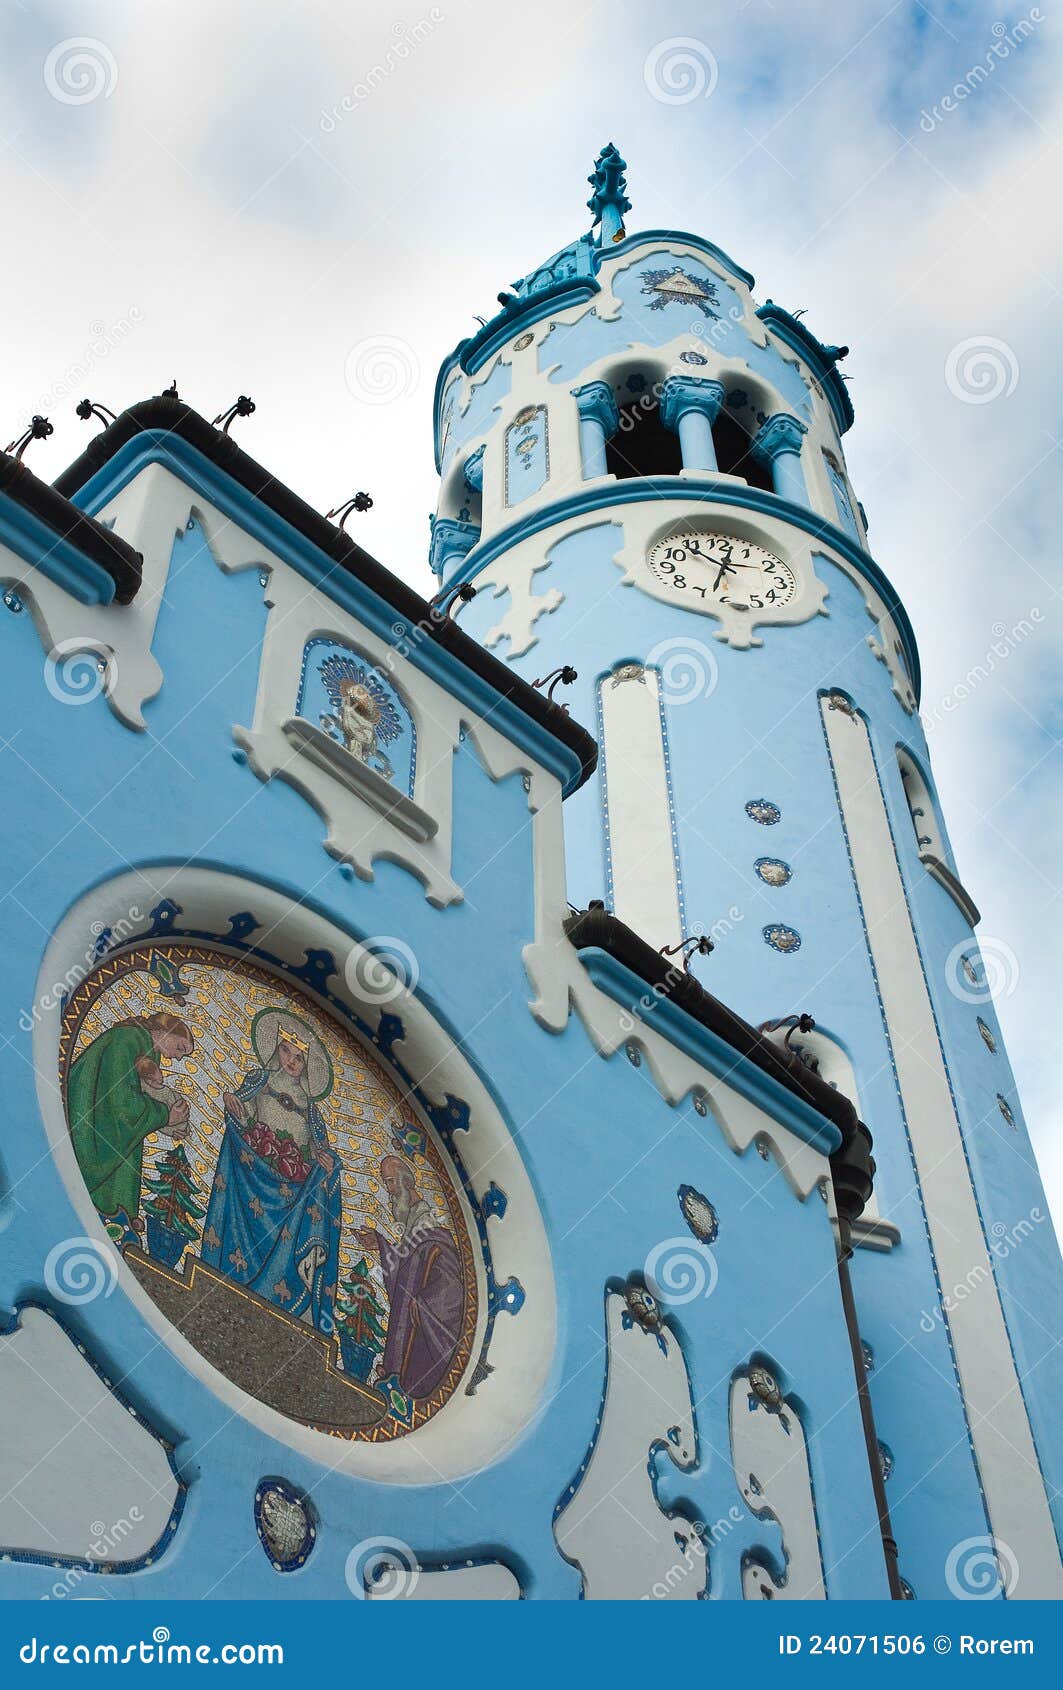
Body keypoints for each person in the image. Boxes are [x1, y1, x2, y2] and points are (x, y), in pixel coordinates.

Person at [201, 1010, 341, 1332]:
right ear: (275, 1050)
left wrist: (327, 1159)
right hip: (251, 1172)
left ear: (307, 1066)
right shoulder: (261, 1080)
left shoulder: (311, 1108)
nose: (291, 1060)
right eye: (286, 1051)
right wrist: (234, 1103)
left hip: (291, 1187)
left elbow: (318, 1146)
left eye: (299, 1057)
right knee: (240, 1237)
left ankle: (282, 1301)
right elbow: (245, 1109)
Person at [355, 1155, 464, 1399]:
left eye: (391, 1182)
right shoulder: (415, 1228)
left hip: (421, 1335)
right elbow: (405, 1277)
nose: (390, 1191)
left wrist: (424, 1304)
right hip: (411, 1332)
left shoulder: (430, 1227)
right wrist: (381, 1244)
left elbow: (452, 1282)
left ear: (407, 1182)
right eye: (386, 1183)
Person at [68, 1011, 192, 1222]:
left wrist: (168, 1124)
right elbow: (122, 1104)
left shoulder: (144, 1049)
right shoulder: (127, 1040)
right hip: (89, 1131)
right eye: (180, 1047)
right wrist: (165, 1116)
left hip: (109, 1132)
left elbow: (135, 1100)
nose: (179, 1056)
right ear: (164, 1031)